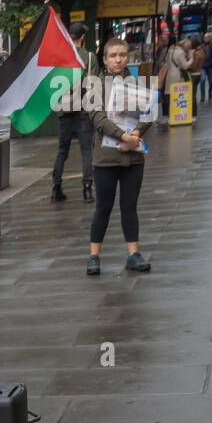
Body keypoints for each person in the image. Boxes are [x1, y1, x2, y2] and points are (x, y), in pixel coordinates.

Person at [84, 36, 152, 276]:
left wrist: (136, 133)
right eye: (113, 55)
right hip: (106, 158)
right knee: (103, 207)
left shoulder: (137, 83)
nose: (118, 59)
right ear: (104, 60)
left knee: (129, 206)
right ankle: (94, 256)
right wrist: (124, 137)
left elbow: (148, 113)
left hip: (133, 158)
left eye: (122, 55)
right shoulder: (95, 86)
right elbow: (98, 118)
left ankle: (133, 254)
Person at [51, 23, 97, 203]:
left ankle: (56, 188)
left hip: (64, 110)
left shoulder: (60, 58)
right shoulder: (89, 57)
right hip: (83, 111)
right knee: (86, 150)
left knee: (62, 151)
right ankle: (87, 190)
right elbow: (94, 83)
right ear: (82, 37)